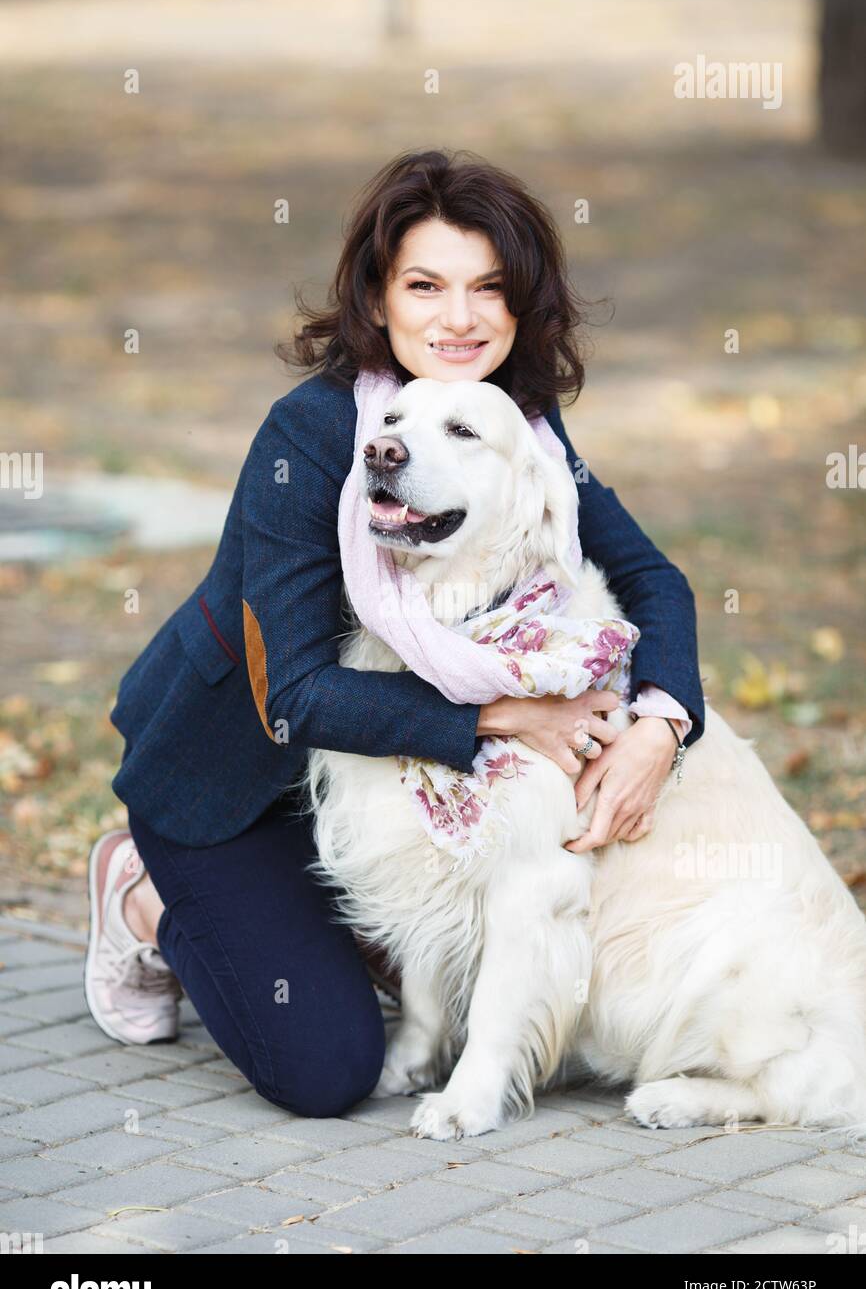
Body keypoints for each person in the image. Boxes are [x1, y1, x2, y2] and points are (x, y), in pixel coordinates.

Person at [84, 149, 704, 1119]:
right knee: (325, 1070)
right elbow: (293, 698)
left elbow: (648, 576)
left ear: (519, 306)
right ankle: (141, 896)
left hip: (384, 788)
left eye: (487, 289)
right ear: (376, 299)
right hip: (239, 783)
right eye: (425, 285)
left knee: (447, 991)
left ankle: (312, 927)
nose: (457, 319)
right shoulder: (310, 437)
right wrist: (512, 712)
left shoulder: (520, 428)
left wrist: (658, 726)